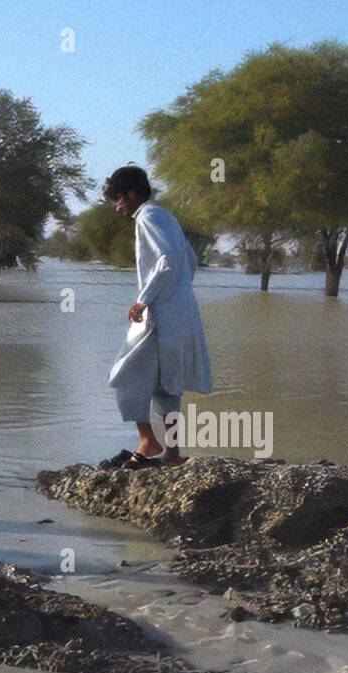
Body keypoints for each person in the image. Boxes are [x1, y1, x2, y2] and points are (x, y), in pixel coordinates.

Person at [99, 165, 212, 470]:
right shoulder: (166, 216)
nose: (117, 205)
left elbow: (169, 261)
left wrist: (143, 300)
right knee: (167, 386)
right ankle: (172, 454)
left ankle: (149, 441)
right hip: (177, 311)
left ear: (132, 193)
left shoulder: (147, 216)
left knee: (123, 375)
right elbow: (189, 259)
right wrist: (179, 295)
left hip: (159, 313)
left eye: (118, 198)